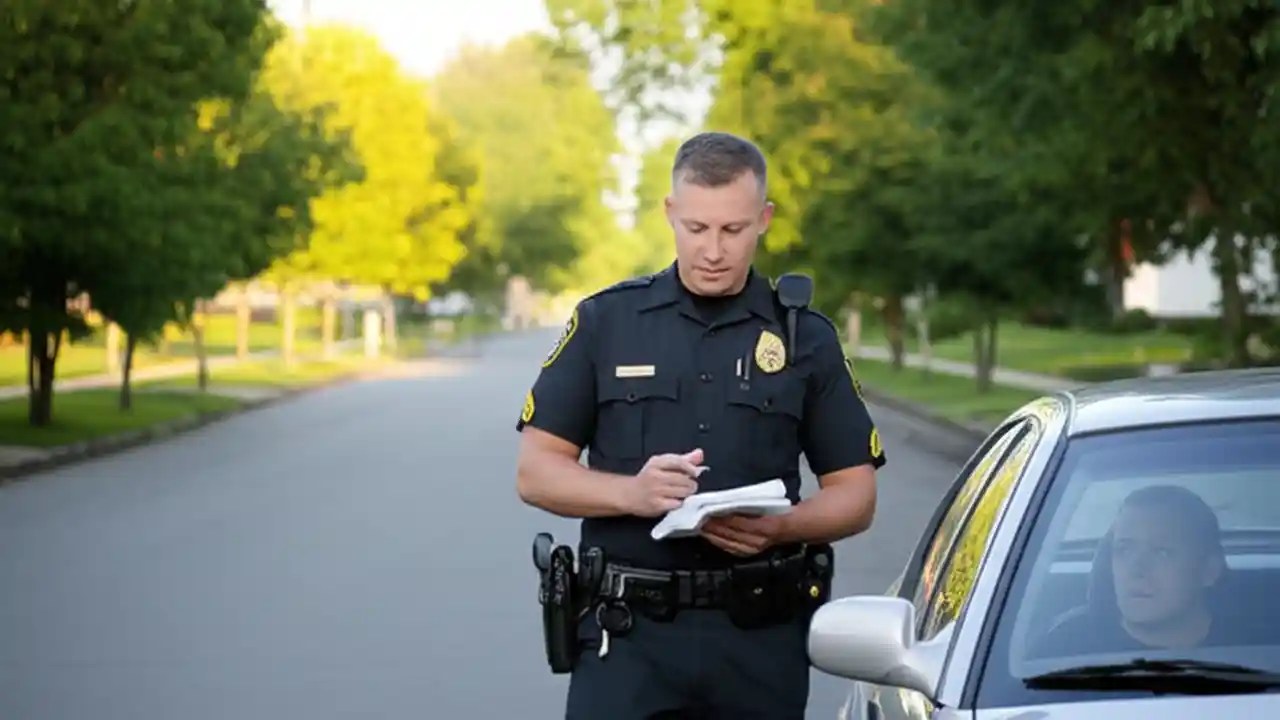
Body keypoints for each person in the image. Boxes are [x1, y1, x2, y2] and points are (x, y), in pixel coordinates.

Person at [514, 131, 885, 719]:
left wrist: (783, 528)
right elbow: (536, 473)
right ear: (671, 213)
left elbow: (856, 496)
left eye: (733, 230)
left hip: (758, 642)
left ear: (763, 219)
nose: (713, 249)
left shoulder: (805, 338)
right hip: (628, 641)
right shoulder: (606, 322)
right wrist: (631, 493)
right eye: (696, 228)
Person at [1035, 484, 1230, 656]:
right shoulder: (1064, 650)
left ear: (1209, 571)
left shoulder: (1250, 646)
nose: (1136, 569)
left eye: (1162, 552)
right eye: (1124, 550)